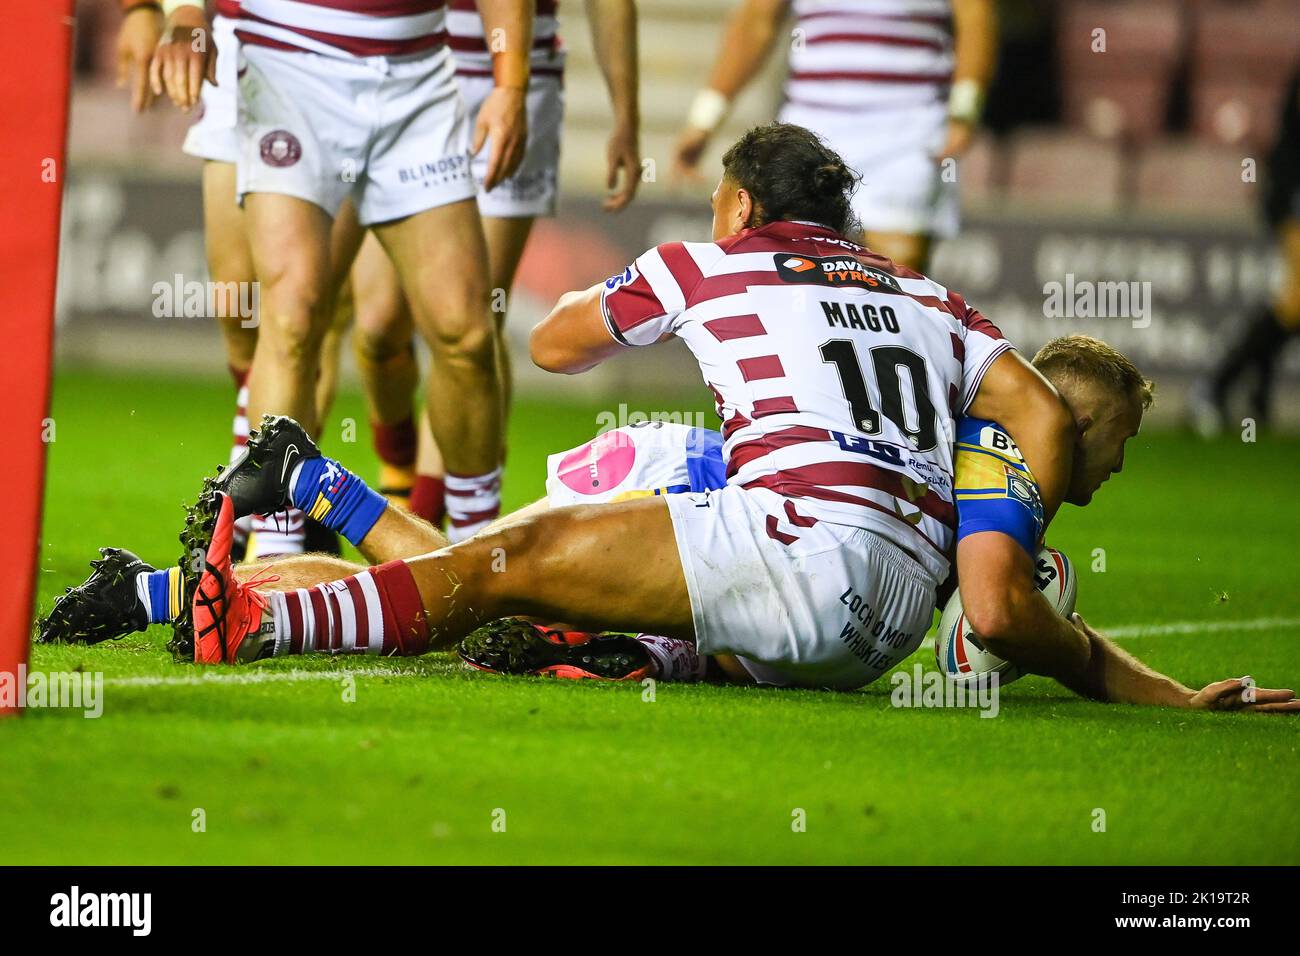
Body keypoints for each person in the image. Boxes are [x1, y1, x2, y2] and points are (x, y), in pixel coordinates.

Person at [40, 125, 1299, 712]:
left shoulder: (715, 262)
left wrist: (653, 294)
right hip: (881, 617)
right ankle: (211, 569)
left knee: (502, 559)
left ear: (740, 207)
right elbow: (1032, 409)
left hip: (775, 531)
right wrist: (1008, 539)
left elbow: (553, 339)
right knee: (522, 585)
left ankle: (259, 604)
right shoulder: (928, 297)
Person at [151, 0, 532, 542]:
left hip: (416, 74)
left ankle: (478, 549)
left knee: (465, 334)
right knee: (290, 318)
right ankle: (278, 555)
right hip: (287, 61)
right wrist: (185, 12)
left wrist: (510, 82)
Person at [348, 0, 644, 529]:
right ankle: (399, 469)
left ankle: (434, 523)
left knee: (472, 323)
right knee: (377, 326)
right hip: (411, 76)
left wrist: (626, 115)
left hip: (516, 88)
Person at [670, 0, 996, 272]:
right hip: (811, 131)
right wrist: (704, 118)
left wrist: (964, 110)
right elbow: (757, 20)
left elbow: (974, 17)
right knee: (791, 265)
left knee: (895, 273)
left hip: (907, 127)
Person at [1191, 61, 1300, 435]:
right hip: (1294, 199)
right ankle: (1216, 386)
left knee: (1292, 308)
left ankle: (1253, 395)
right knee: (1294, 302)